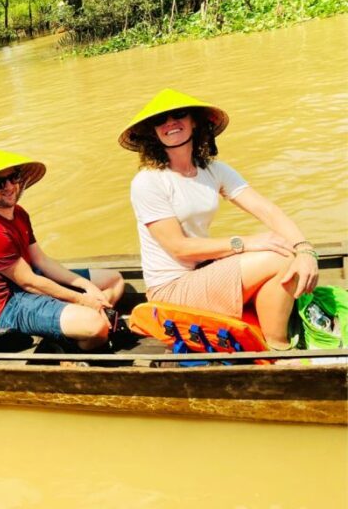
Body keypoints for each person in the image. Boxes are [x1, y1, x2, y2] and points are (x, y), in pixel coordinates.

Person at [120, 88, 318, 349]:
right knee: (279, 256)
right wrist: (244, 243)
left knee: (285, 249)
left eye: (179, 114)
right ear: (153, 132)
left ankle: (273, 343)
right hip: (171, 288)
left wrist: (305, 250)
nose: (170, 123)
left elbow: (266, 209)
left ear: (194, 122)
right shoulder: (148, 181)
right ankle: (278, 350)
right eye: (160, 120)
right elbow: (179, 248)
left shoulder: (212, 170)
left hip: (203, 271)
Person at [0, 148, 124, 351]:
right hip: (11, 304)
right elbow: (29, 283)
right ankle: (64, 343)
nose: (9, 186)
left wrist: (87, 286)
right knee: (97, 327)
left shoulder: (18, 213)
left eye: (13, 177)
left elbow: (42, 261)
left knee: (114, 280)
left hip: (32, 279)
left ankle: (62, 330)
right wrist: (83, 300)